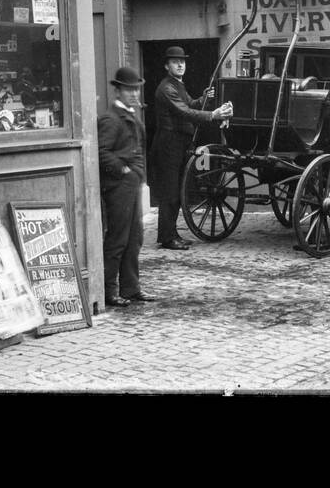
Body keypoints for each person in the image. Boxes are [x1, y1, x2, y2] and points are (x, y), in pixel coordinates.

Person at [149, 46, 232, 249]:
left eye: (183, 62)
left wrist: (204, 98)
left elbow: (191, 105)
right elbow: (185, 112)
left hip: (179, 143)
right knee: (170, 192)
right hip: (169, 144)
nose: (180, 64)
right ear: (166, 65)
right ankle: (167, 238)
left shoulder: (177, 85)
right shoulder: (166, 88)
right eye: (175, 62)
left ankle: (171, 234)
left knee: (176, 191)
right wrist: (213, 115)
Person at [96, 66, 155, 308]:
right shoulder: (110, 119)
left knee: (134, 238)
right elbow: (102, 152)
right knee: (118, 238)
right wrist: (123, 170)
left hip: (132, 184)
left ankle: (131, 288)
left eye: (136, 90)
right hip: (119, 186)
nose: (134, 94)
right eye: (129, 90)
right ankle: (109, 290)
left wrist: (135, 175)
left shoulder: (130, 114)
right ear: (118, 91)